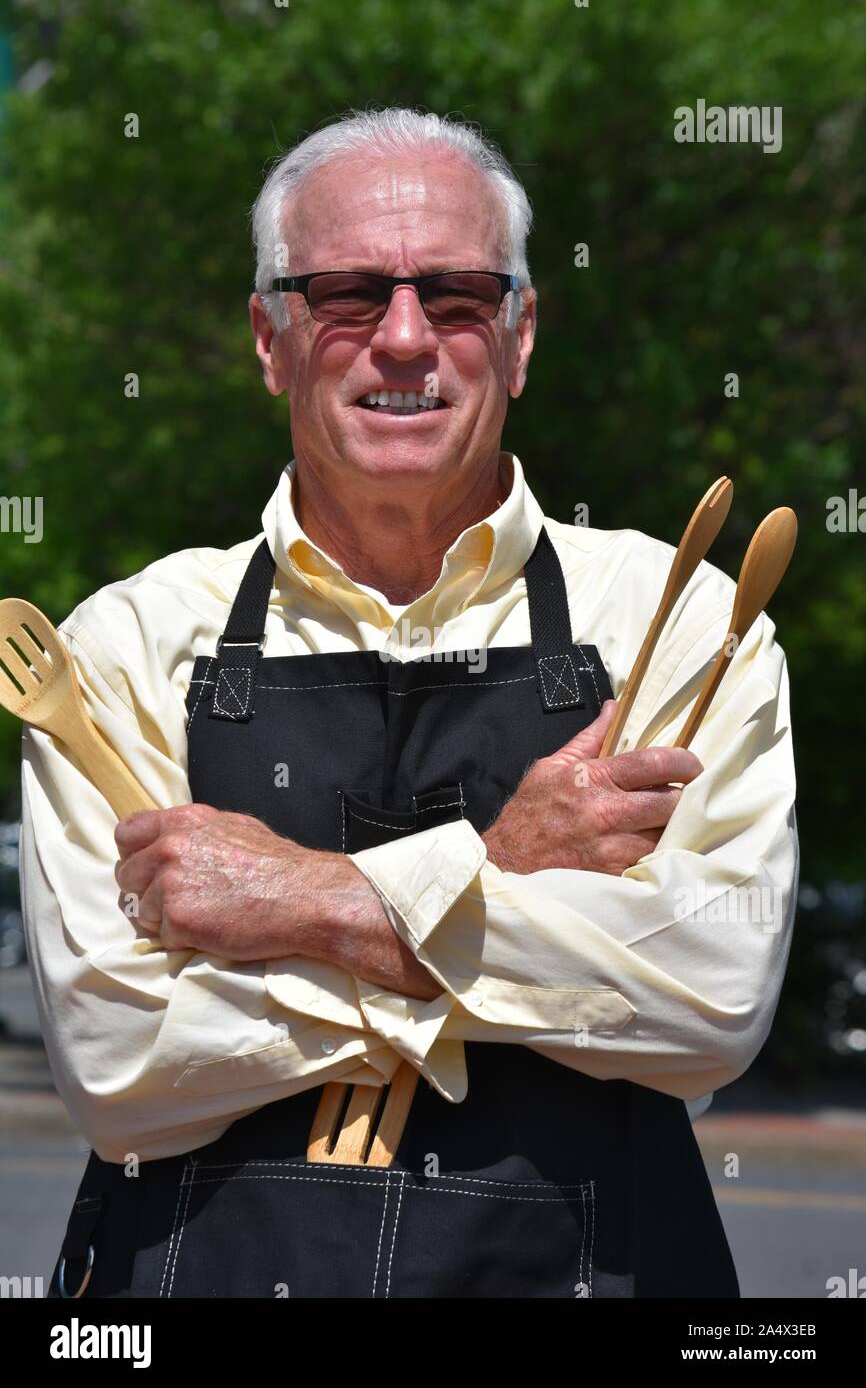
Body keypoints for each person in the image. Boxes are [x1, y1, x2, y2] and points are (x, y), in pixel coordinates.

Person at [21, 107, 797, 1299]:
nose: (401, 338)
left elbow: (706, 996)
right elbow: (121, 1062)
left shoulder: (684, 620)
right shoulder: (125, 644)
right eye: (343, 294)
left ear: (521, 334)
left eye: (455, 296)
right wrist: (511, 880)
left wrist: (302, 899)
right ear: (271, 339)